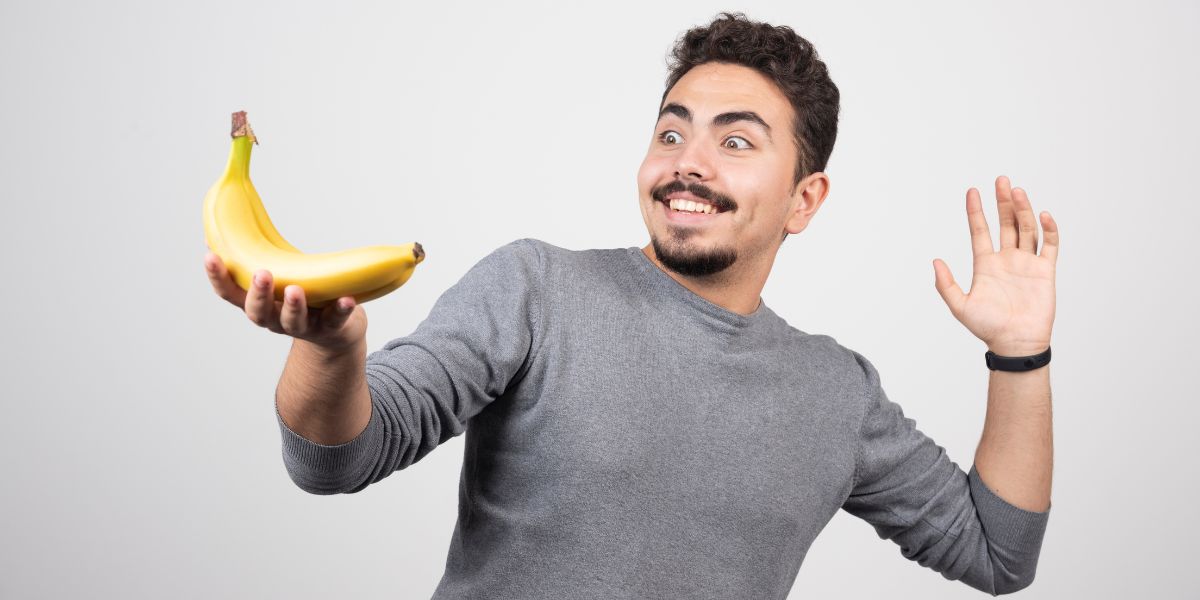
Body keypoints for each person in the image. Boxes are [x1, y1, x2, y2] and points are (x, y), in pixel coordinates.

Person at [205, 12, 1057, 599]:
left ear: (805, 200)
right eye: (672, 131)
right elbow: (335, 463)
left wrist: (1021, 355)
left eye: (736, 141)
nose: (688, 162)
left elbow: (998, 553)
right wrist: (330, 349)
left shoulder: (838, 392)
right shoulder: (537, 291)